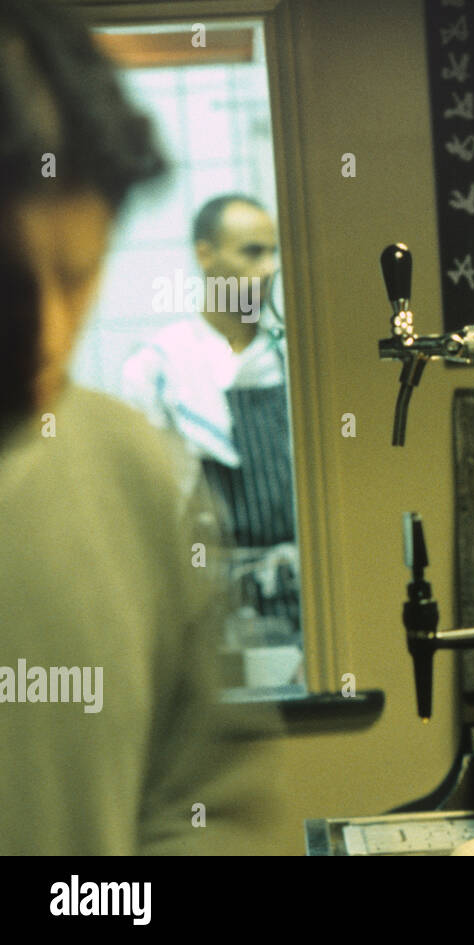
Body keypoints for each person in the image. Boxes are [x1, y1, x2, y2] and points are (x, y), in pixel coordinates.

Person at [0, 0, 282, 853]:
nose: (50, 336)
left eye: (78, 277)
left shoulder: (126, 465)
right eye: (9, 289)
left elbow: (203, 798)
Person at [122, 194, 301, 654]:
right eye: (251, 252)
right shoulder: (162, 368)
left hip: (300, 601)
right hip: (207, 609)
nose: (268, 268)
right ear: (205, 253)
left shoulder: (292, 360)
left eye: (273, 252)